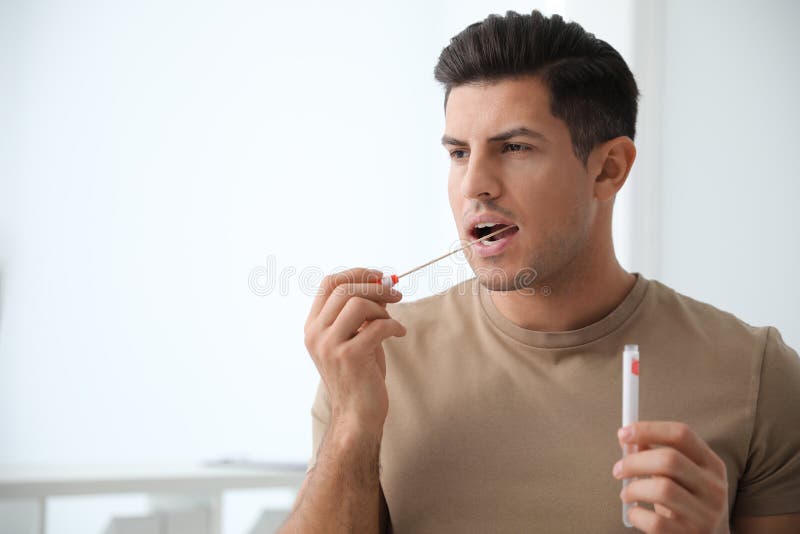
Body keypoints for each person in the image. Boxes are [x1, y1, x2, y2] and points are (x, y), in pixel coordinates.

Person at [279, 10, 800, 533]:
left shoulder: (758, 375)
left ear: (609, 168)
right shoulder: (374, 360)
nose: (474, 184)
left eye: (515, 148)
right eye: (459, 153)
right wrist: (350, 424)